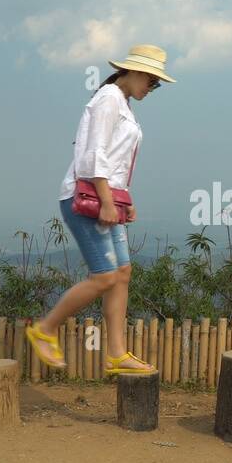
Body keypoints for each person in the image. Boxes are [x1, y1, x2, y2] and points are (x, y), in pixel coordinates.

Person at [26, 44, 176, 374]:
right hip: (87, 201)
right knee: (105, 275)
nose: (152, 89)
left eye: (156, 84)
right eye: (151, 81)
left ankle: (117, 355)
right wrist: (108, 201)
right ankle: (45, 328)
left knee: (122, 273)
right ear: (135, 71)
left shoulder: (121, 103)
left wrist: (124, 200)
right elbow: (93, 155)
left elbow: (116, 159)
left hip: (107, 199)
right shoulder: (108, 98)